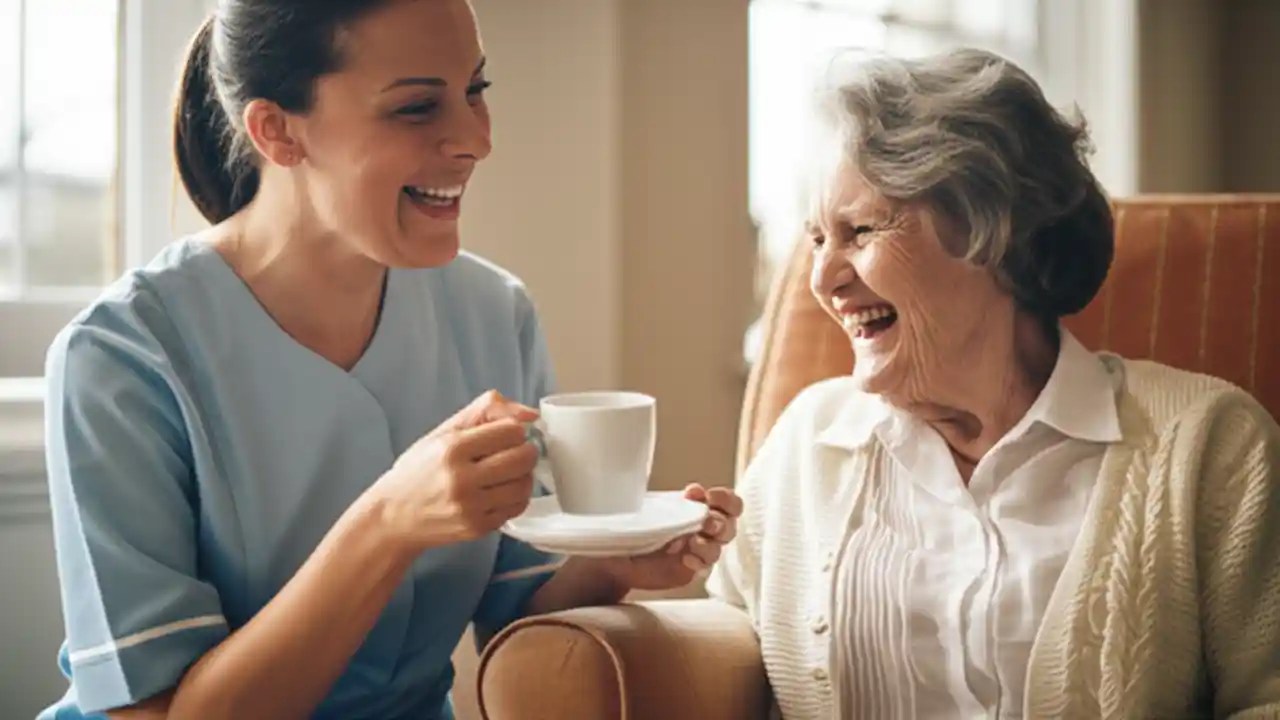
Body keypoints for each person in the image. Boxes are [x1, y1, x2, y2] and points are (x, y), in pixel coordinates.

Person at [40, 2, 741, 718]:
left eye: (476, 91)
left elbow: (515, 613)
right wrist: (387, 523)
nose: (475, 140)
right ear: (276, 131)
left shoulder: (494, 313)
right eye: (416, 107)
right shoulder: (121, 358)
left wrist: (612, 564)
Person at [708, 48, 1280, 719]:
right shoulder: (810, 440)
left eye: (860, 231)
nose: (822, 281)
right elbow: (722, 634)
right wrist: (612, 576)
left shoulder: (1210, 446)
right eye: (816, 240)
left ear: (995, 234)